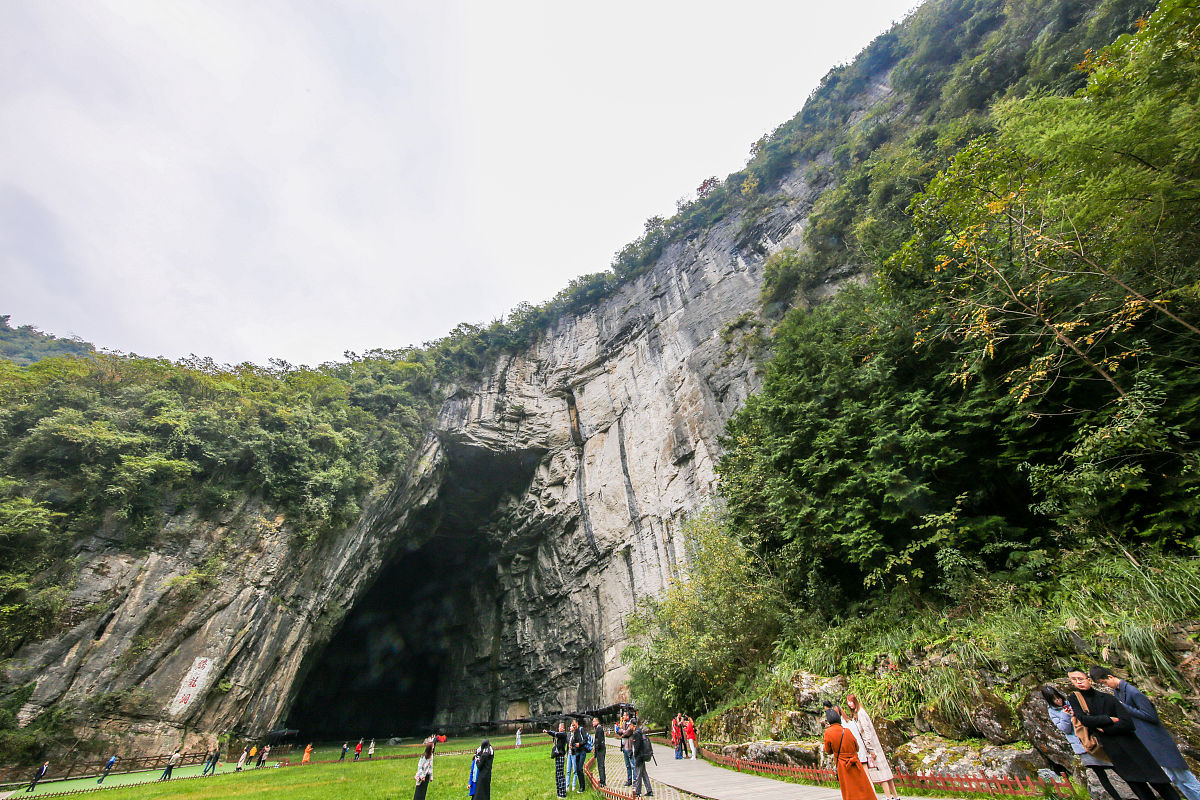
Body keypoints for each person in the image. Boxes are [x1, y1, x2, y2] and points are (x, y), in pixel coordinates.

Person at [1066, 667, 1179, 800]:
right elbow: (1085, 720)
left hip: (1132, 744)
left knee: (1160, 783)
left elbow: (1127, 723)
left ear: (1088, 679)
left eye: (1080, 679)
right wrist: (1108, 719)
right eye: (1074, 680)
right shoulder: (1075, 699)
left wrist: (1104, 728)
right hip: (1114, 750)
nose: (1078, 682)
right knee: (1139, 788)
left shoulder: (1109, 698)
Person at [1090, 667, 1200, 800]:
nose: (1105, 686)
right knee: (1176, 780)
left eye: (1104, 682)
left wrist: (1124, 707)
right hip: (1149, 742)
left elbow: (1151, 716)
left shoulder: (1132, 692)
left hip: (1158, 740)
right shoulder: (1118, 693)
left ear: (1110, 677)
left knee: (1185, 778)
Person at [1040, 685, 1121, 799]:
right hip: (1081, 746)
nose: (1058, 701)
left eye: (1058, 697)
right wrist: (1066, 714)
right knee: (1101, 774)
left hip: (1093, 739)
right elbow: (1065, 729)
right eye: (1054, 699)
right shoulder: (1052, 712)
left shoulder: (1070, 702)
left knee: (1114, 766)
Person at [846, 694, 898, 800]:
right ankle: (895, 796)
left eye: (851, 701)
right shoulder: (859, 712)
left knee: (882, 773)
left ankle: (889, 797)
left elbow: (866, 731)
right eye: (848, 702)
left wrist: (870, 749)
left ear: (855, 701)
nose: (849, 704)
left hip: (872, 747)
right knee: (886, 771)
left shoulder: (860, 713)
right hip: (874, 745)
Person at [824, 708, 876, 800]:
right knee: (862, 787)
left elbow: (828, 750)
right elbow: (857, 747)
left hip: (842, 764)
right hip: (855, 762)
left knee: (848, 789)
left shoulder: (828, 732)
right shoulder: (846, 731)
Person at [543, 720, 571, 800]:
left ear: (562, 728)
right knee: (557, 775)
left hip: (560, 756)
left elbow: (555, 733)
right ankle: (559, 793)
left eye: (559, 727)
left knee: (560, 775)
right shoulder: (561, 735)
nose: (558, 729)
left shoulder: (563, 734)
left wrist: (547, 731)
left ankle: (562, 794)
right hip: (558, 756)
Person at [632, 720, 654, 797]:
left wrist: (635, 755)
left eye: (630, 725)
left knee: (638, 774)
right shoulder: (640, 731)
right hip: (643, 755)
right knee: (644, 773)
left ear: (632, 725)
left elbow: (637, 746)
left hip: (639, 756)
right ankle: (649, 790)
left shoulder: (636, 733)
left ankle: (637, 792)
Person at [566, 718, 585, 793]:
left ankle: (582, 787)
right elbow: (574, 743)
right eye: (572, 725)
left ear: (577, 723)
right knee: (577, 769)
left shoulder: (581, 730)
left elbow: (585, 740)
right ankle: (581, 786)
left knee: (579, 769)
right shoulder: (575, 732)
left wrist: (579, 744)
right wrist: (573, 746)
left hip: (582, 751)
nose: (573, 726)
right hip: (576, 752)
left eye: (574, 725)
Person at [619, 714, 636, 786]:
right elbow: (619, 731)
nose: (623, 716)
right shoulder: (624, 723)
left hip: (629, 747)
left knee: (633, 764)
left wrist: (623, 732)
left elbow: (627, 733)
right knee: (627, 765)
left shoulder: (631, 724)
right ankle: (629, 780)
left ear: (628, 716)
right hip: (624, 747)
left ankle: (635, 780)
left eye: (625, 715)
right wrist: (622, 731)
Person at [593, 717, 607, 786]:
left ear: (597, 722)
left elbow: (598, 741)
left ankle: (602, 781)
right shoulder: (598, 728)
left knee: (600, 765)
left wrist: (596, 749)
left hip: (600, 750)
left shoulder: (599, 728)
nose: (592, 723)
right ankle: (602, 779)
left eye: (593, 721)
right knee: (600, 765)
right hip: (600, 749)